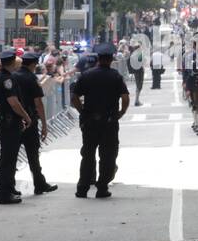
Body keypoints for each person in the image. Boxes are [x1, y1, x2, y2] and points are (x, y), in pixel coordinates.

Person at [70, 43, 130, 199]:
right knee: (108, 155)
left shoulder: (87, 75)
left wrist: (82, 111)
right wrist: (121, 112)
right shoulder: (115, 76)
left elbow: (74, 97)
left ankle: (82, 188)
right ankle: (102, 187)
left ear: (98, 59)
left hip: (90, 121)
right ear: (110, 60)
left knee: (88, 154)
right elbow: (125, 97)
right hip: (109, 122)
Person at [0, 50, 34, 204]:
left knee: (11, 157)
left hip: (8, 121)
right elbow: (14, 102)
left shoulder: (2, 77)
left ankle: (9, 187)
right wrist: (26, 116)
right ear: (13, 62)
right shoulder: (7, 79)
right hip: (9, 123)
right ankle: (4, 193)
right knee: (8, 158)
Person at [12, 51, 57, 196]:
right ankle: (39, 184)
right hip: (30, 120)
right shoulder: (31, 78)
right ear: (33, 64)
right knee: (33, 155)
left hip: (14, 120)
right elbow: (38, 103)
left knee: (11, 156)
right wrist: (44, 124)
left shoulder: (12, 76)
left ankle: (9, 187)